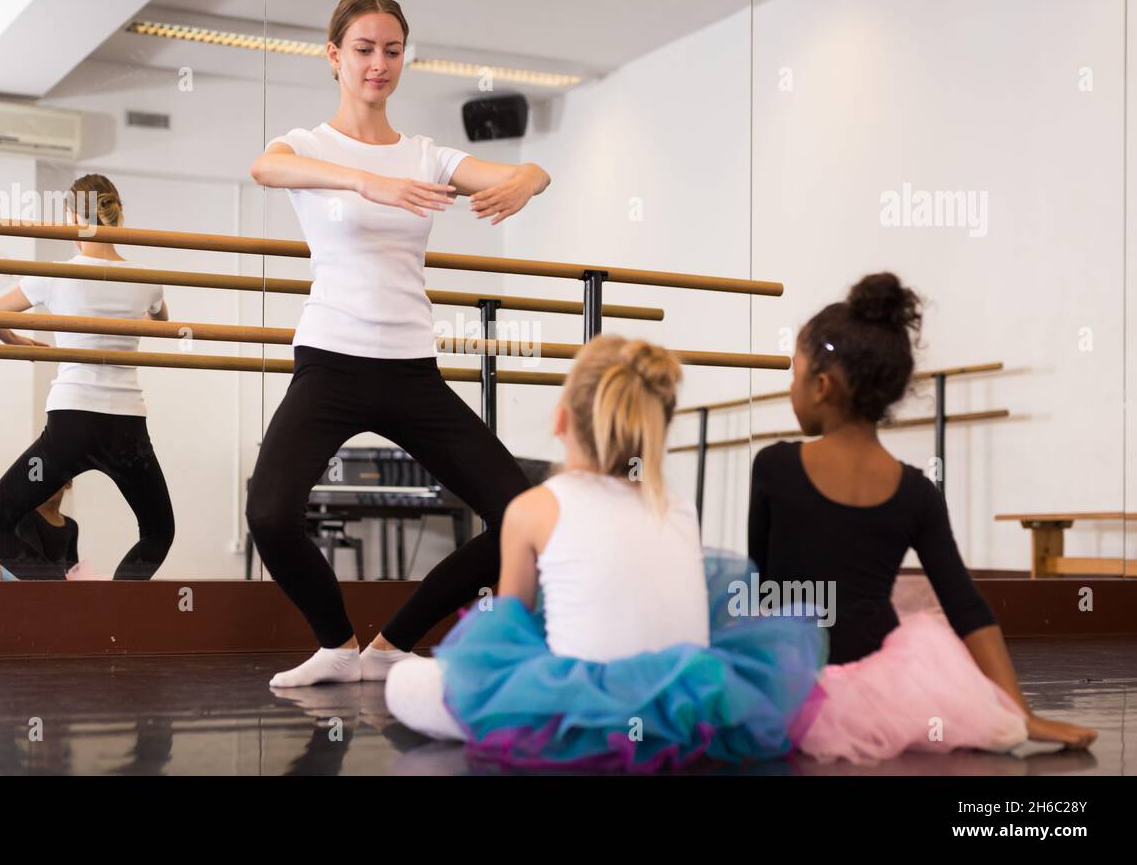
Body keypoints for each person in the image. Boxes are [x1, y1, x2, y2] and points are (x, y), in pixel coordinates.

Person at [247, 0, 553, 687]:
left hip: (412, 369)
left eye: (391, 50)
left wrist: (530, 179)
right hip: (329, 361)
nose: (378, 63)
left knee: (521, 514)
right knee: (269, 512)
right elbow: (265, 169)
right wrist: (365, 182)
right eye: (363, 49)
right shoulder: (308, 146)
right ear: (334, 57)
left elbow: (518, 173)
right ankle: (334, 642)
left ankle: (393, 642)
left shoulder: (425, 154)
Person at [385, 336, 825, 771]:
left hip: (578, 709)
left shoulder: (533, 508)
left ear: (561, 421)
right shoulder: (678, 506)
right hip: (683, 707)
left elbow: (508, 627)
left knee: (405, 684)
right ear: (655, 431)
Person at [752, 272, 1097, 761]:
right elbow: (965, 605)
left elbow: (761, 584)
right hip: (890, 685)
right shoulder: (917, 491)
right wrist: (1022, 714)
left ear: (823, 386)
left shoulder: (774, 466)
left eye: (794, 373)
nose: (791, 387)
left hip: (794, 678)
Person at [0, 174, 175, 581]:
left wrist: (19, 342)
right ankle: (112, 609)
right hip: (127, 428)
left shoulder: (53, 274)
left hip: (70, 425)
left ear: (73, 217)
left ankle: (63, 599)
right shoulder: (148, 279)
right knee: (159, 532)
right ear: (118, 214)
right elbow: (161, 320)